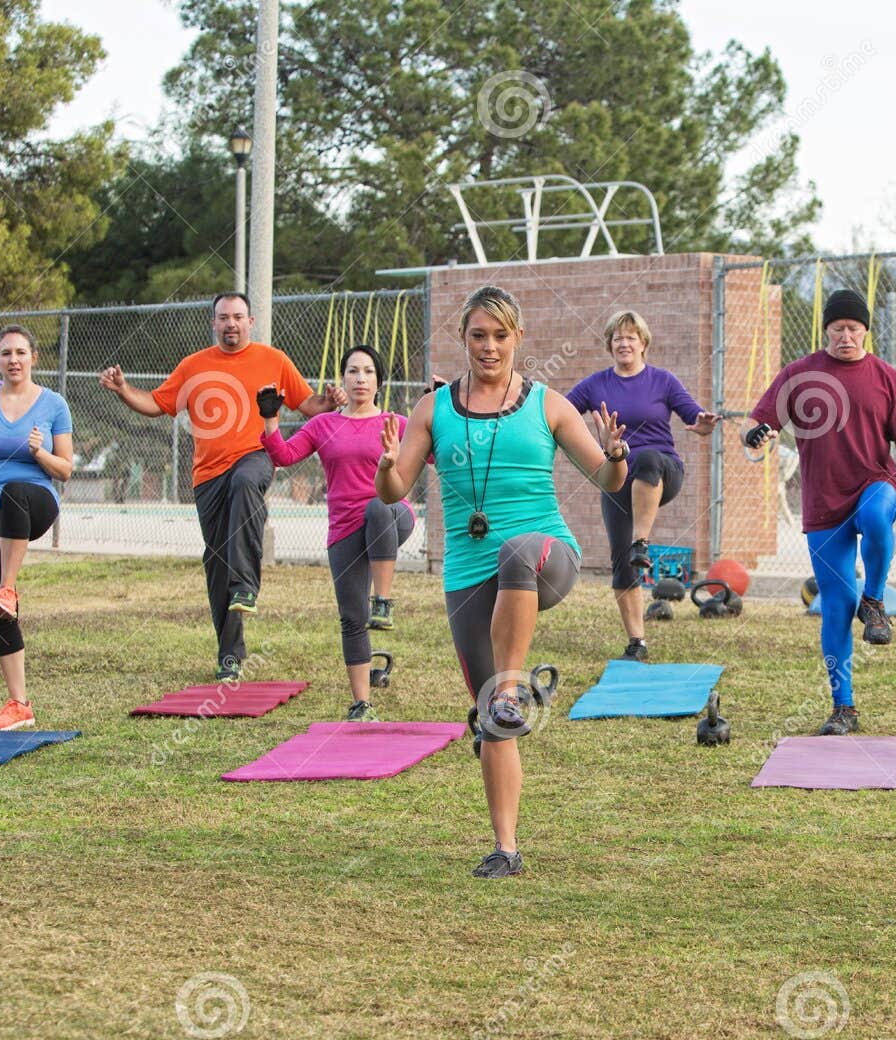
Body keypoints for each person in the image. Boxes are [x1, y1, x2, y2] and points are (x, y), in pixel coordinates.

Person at [375, 286, 627, 878]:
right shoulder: (431, 410)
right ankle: (506, 848)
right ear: (462, 340)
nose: (489, 346)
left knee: (517, 558)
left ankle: (514, 688)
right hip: (467, 575)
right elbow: (395, 491)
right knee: (490, 715)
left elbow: (607, 479)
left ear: (518, 338)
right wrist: (388, 470)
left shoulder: (549, 405)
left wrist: (617, 457)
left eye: (500, 335)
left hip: (546, 556)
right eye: (478, 335)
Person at [99, 292, 342, 680]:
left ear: (251, 322)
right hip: (207, 475)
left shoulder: (274, 360)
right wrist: (124, 389)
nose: (232, 323)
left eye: (239, 317)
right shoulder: (194, 366)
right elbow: (156, 404)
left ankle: (246, 584)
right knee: (216, 562)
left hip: (257, 455)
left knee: (247, 482)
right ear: (214, 323)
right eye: (224, 317)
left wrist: (329, 401)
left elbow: (308, 406)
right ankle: (229, 654)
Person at [744, 288, 896, 736]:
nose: (846, 336)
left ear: (865, 331)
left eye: (854, 329)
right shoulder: (799, 374)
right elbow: (757, 427)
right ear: (826, 330)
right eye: (838, 328)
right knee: (837, 607)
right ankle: (844, 707)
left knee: (878, 519)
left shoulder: (887, 377)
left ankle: (876, 601)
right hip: (824, 502)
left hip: (874, 482)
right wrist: (756, 437)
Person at [260, 345, 414, 720]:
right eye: (353, 372)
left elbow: (433, 454)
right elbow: (283, 455)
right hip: (344, 527)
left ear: (379, 381)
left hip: (392, 517)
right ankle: (362, 703)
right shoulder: (323, 424)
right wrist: (270, 419)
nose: (360, 378)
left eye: (368, 372)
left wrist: (436, 409)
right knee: (350, 617)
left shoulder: (397, 423)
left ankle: (385, 601)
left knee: (378, 505)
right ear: (342, 379)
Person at [565, 310, 719, 660]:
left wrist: (705, 423)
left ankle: (642, 541)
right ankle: (637, 643)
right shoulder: (595, 385)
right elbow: (561, 412)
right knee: (622, 563)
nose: (624, 343)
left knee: (647, 457)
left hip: (662, 472)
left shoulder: (662, 381)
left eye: (630, 337)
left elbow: (695, 417)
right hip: (617, 477)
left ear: (643, 343)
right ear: (610, 345)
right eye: (617, 337)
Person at [0, 326, 73, 730]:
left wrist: (40, 452)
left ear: (33, 357)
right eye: (5, 354)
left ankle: (9, 584)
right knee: (0, 613)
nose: (13, 360)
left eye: (21, 352)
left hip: (34, 500)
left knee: (14, 491)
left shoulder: (54, 404)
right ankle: (19, 703)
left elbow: (66, 470)